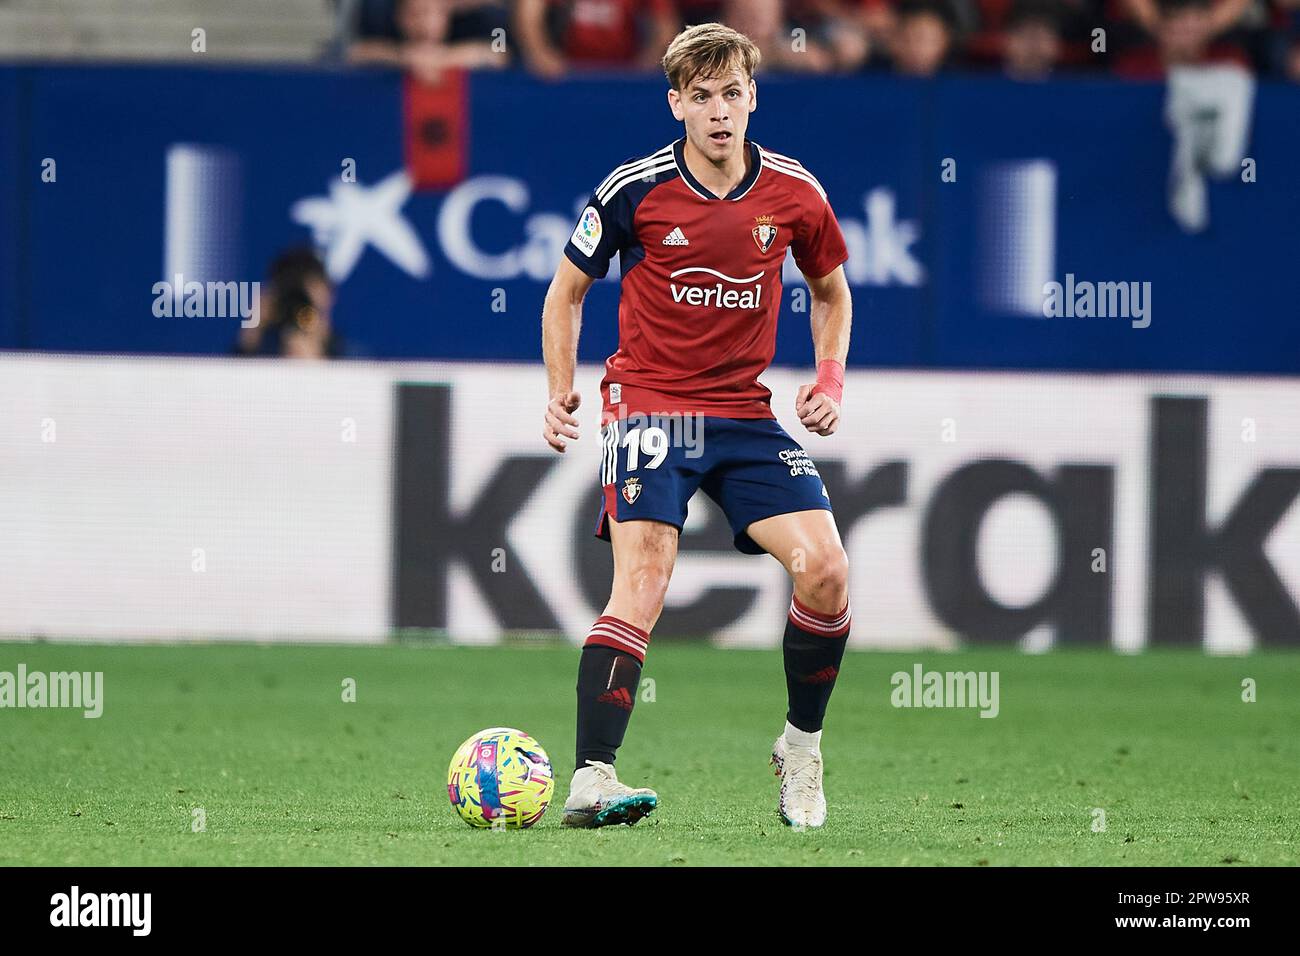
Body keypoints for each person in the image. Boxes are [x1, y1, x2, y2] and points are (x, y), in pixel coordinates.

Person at [540, 22, 854, 829]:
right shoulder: (634, 189)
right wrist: (559, 391)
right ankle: (592, 778)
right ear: (676, 103)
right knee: (643, 581)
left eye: (733, 94)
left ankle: (801, 748)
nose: (719, 111)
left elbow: (831, 292)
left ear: (754, 97)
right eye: (702, 96)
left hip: (745, 415)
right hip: (651, 406)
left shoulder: (795, 193)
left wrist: (827, 379)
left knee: (826, 572)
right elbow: (564, 293)